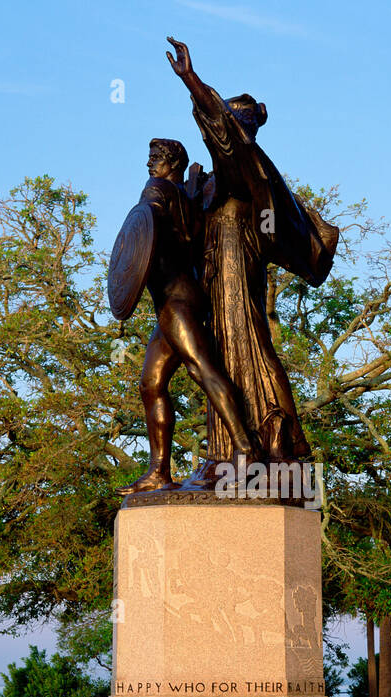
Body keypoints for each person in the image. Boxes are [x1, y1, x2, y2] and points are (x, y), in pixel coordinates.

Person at [165, 37, 340, 485]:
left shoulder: (247, 170)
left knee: (248, 345)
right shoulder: (209, 183)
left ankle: (274, 433)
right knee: (221, 356)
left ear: (239, 128)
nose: (215, 128)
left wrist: (191, 81)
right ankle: (226, 453)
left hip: (236, 274)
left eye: (224, 119)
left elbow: (225, 136)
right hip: (213, 278)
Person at [116, 137, 259, 495]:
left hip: (176, 301)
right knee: (151, 384)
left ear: (173, 163)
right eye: (150, 158)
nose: (150, 165)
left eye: (157, 158)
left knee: (202, 369)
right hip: (174, 301)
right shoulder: (190, 199)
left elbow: (144, 230)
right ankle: (159, 472)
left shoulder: (157, 190)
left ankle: (246, 451)